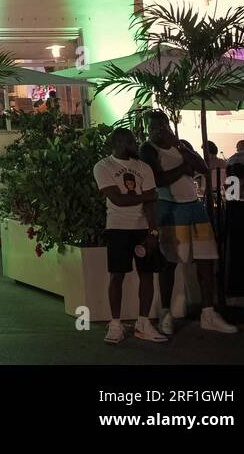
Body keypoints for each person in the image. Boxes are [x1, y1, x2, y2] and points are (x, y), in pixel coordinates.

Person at [140, 110, 237, 335]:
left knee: (205, 260)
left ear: (167, 126)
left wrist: (181, 148)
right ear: (146, 129)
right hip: (170, 209)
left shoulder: (180, 144)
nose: (156, 130)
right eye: (151, 127)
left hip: (194, 207)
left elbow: (203, 167)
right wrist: (182, 168)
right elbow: (157, 180)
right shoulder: (147, 149)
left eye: (160, 125)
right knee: (170, 262)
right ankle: (165, 312)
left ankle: (208, 313)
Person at [92, 126, 165, 344]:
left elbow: (152, 204)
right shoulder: (103, 166)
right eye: (132, 142)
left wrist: (153, 231)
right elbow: (118, 200)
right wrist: (147, 195)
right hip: (117, 228)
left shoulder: (144, 167)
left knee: (147, 274)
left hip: (143, 228)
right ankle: (116, 324)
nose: (135, 145)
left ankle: (143, 323)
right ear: (120, 143)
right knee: (117, 275)